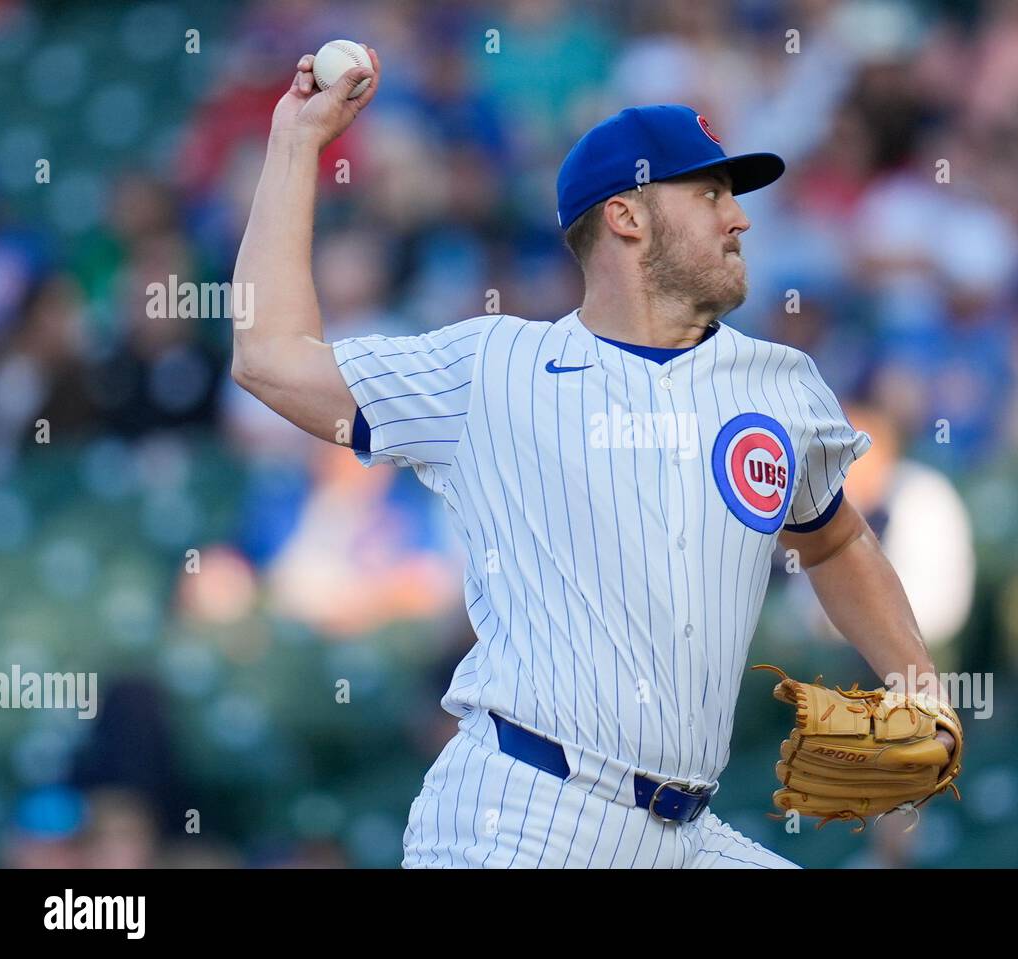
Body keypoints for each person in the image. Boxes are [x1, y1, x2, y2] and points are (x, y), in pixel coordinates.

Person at [232, 48, 957, 868]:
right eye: (710, 192)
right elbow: (271, 357)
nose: (740, 217)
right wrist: (295, 146)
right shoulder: (494, 369)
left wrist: (916, 682)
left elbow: (834, 538)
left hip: (687, 831)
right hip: (522, 816)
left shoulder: (783, 386)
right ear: (627, 216)